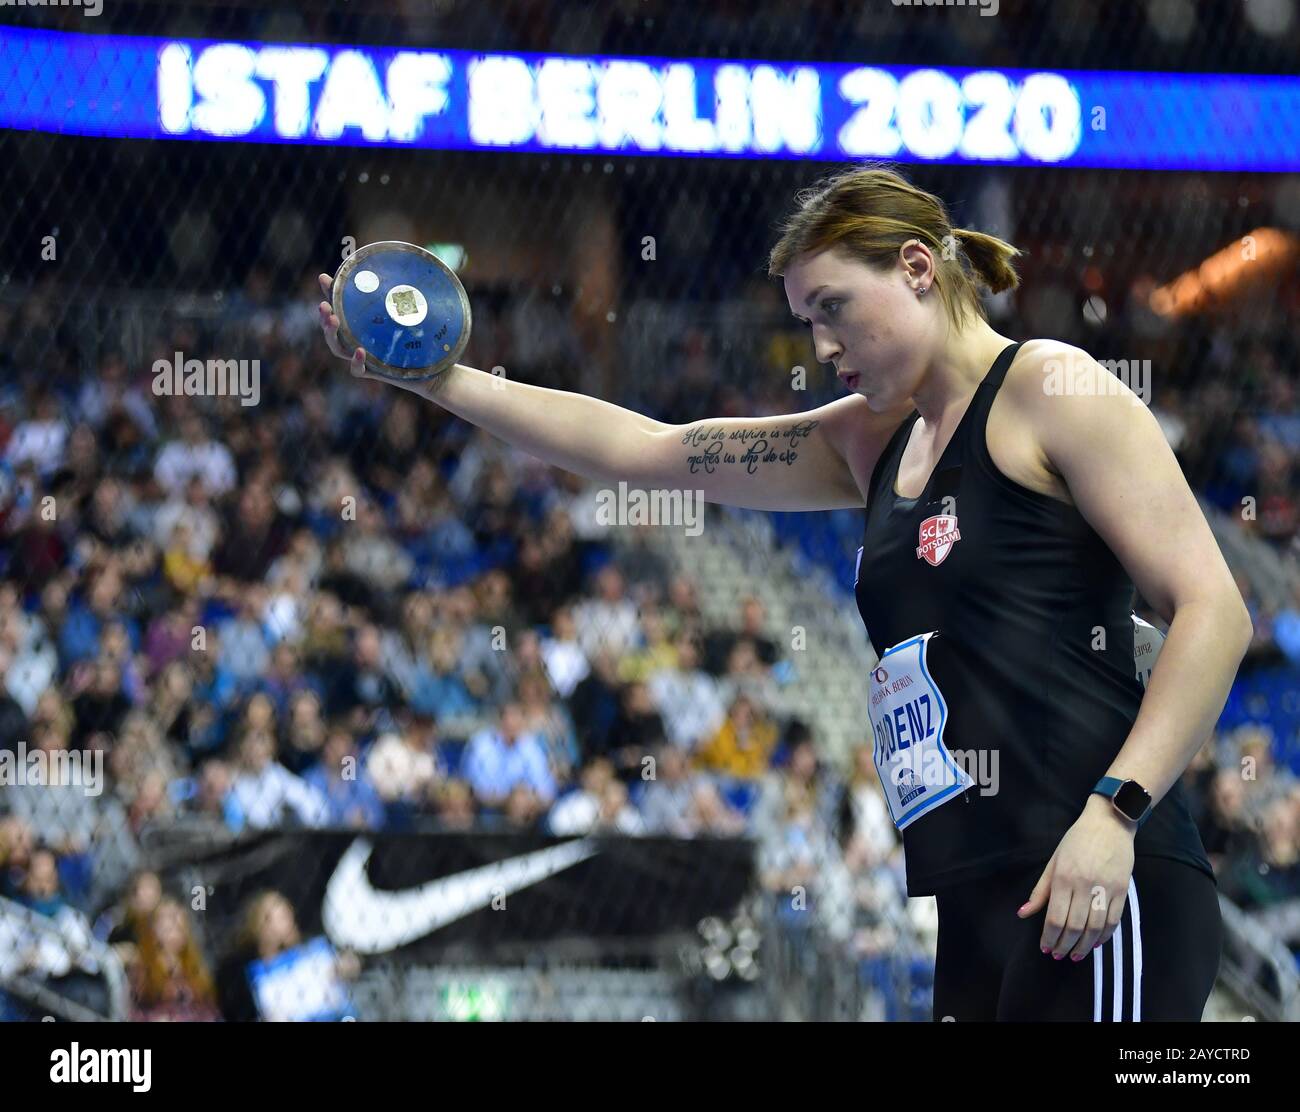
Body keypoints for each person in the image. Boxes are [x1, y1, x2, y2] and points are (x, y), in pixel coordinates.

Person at [316, 164, 1250, 1022]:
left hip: (1096, 881)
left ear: (919, 268)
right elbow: (645, 450)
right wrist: (433, 376)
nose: (820, 343)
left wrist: (1113, 812)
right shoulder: (869, 439)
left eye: (835, 307)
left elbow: (1213, 612)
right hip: (976, 894)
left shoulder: (1053, 387)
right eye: (807, 316)